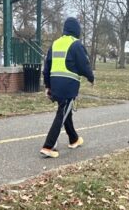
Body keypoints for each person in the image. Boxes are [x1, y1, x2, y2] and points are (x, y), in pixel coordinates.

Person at [40, 17, 94, 158]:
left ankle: (73, 139)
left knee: (66, 112)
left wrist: (47, 86)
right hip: (68, 86)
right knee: (62, 114)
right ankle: (48, 146)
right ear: (77, 30)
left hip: (56, 85)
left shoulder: (55, 44)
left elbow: (47, 68)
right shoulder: (76, 45)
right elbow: (84, 66)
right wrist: (91, 78)